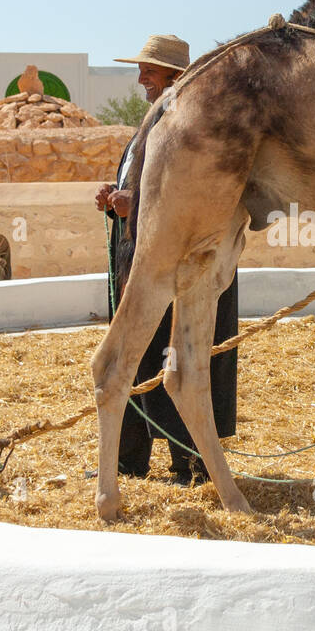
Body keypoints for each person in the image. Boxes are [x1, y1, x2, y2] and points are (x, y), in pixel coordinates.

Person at [95, 34, 238, 484]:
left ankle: (191, 465)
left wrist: (132, 203)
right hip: (140, 258)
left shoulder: (193, 127)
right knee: (135, 358)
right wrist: (115, 199)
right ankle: (129, 463)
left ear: (175, 77)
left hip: (182, 266)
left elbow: (189, 198)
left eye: (149, 70)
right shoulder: (152, 124)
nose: (141, 78)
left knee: (183, 359)